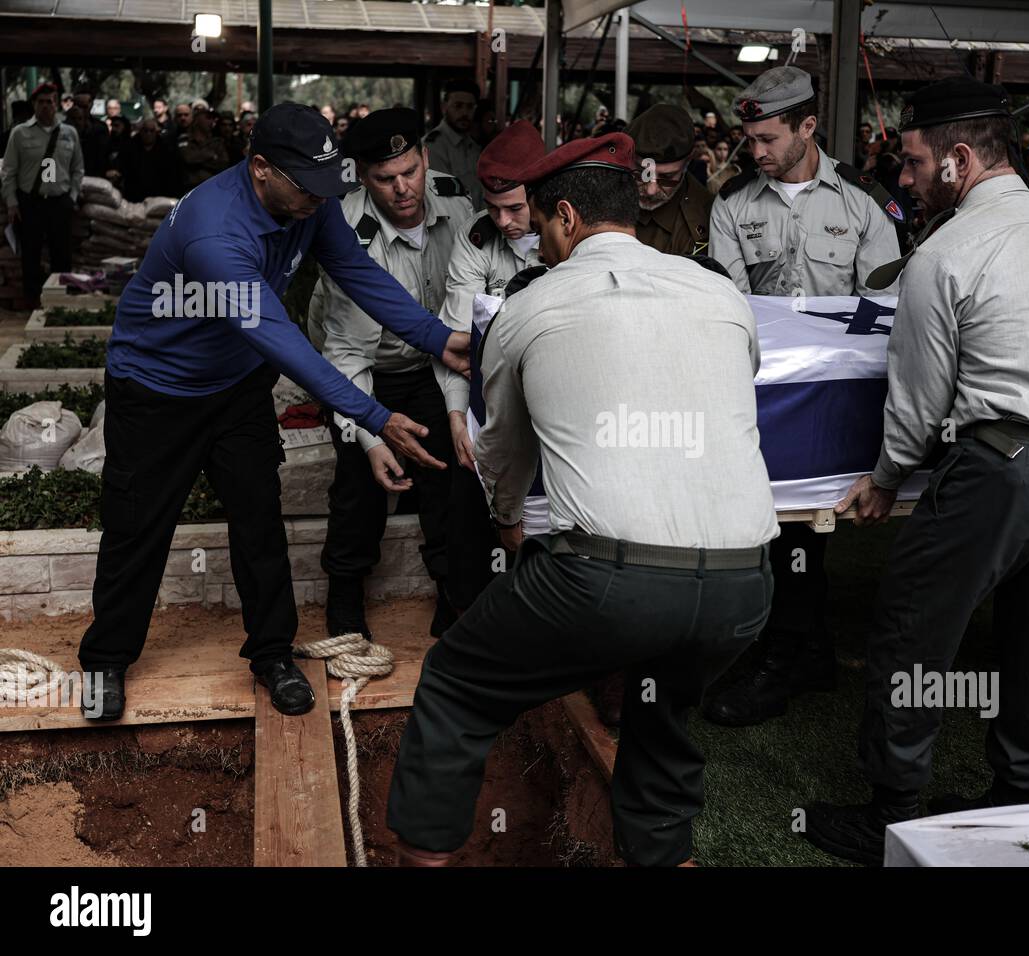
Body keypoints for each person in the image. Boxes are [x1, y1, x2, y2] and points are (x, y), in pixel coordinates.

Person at [385, 132, 778, 867]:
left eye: (538, 228)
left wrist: (508, 527)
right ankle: (663, 853)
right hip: (744, 585)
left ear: (565, 217)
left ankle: (425, 856)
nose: (537, 245)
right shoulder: (721, 293)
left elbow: (500, 454)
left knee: (456, 682)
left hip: (608, 583)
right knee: (660, 705)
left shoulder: (529, 308)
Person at [801, 76, 1029, 865]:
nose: (904, 179)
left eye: (913, 164)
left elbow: (917, 399)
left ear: (957, 160)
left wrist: (884, 478)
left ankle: (894, 812)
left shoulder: (946, 252)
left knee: (914, 631)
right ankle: (1019, 804)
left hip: (1006, 466)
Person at [76, 103, 471, 722]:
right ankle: (104, 660)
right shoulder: (214, 233)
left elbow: (358, 272)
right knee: (137, 530)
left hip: (235, 386)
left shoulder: (307, 203)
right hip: (157, 392)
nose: (322, 200)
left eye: (326, 185)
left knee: (259, 521)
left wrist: (435, 337)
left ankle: (271, 654)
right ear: (261, 169)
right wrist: (375, 416)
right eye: (309, 188)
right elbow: (282, 340)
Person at [703, 65, 904, 729]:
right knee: (773, 530)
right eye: (748, 138)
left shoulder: (863, 201)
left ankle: (790, 651)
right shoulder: (733, 204)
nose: (754, 151)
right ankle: (797, 649)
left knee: (803, 531)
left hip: (842, 399)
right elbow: (730, 309)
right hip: (768, 398)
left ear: (808, 126)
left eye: (767, 137)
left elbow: (887, 306)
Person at [306, 108, 474, 644]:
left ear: (426, 160)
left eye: (411, 171)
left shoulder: (459, 204)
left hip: (434, 364)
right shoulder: (349, 233)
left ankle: (454, 588)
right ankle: (346, 591)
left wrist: (454, 408)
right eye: (385, 178)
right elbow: (347, 356)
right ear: (360, 175)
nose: (403, 189)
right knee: (360, 477)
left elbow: (464, 315)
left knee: (451, 465)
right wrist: (369, 433)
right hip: (363, 367)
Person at [437, 120, 547, 622]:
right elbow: (456, 341)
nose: (503, 221)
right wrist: (458, 417)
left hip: (554, 394)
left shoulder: (568, 230)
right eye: (493, 207)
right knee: (462, 482)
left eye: (515, 208)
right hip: (488, 396)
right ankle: (463, 607)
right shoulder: (475, 238)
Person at [1, 83, 83, 308]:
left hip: (60, 202)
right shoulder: (20, 133)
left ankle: (60, 302)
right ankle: (32, 302)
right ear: (33, 105)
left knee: (62, 254)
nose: (46, 106)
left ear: (56, 104)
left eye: (50, 101)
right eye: (41, 102)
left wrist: (72, 197)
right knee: (31, 254)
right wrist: (12, 202)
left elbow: (78, 168)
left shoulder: (69, 133)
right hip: (31, 202)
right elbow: (9, 171)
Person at [626, 103, 714, 256]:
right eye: (641, 173)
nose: (650, 190)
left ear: (688, 160)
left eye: (667, 177)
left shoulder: (708, 215)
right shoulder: (599, 197)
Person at [424, 79, 484, 210]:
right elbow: (442, 200)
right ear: (444, 107)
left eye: (470, 107)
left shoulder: (473, 146)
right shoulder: (433, 146)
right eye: (458, 105)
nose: (464, 113)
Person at [122, 116, 179, 201]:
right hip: (135, 194)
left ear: (156, 132)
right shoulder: (130, 148)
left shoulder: (165, 150)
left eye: (151, 131)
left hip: (159, 194)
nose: (148, 134)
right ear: (141, 132)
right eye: (145, 131)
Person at [177, 103, 228, 190]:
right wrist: (211, 155)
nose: (211, 122)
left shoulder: (217, 142)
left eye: (213, 119)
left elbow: (223, 163)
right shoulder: (184, 139)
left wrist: (198, 161)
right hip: (190, 190)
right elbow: (188, 158)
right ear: (197, 119)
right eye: (208, 118)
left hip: (212, 188)